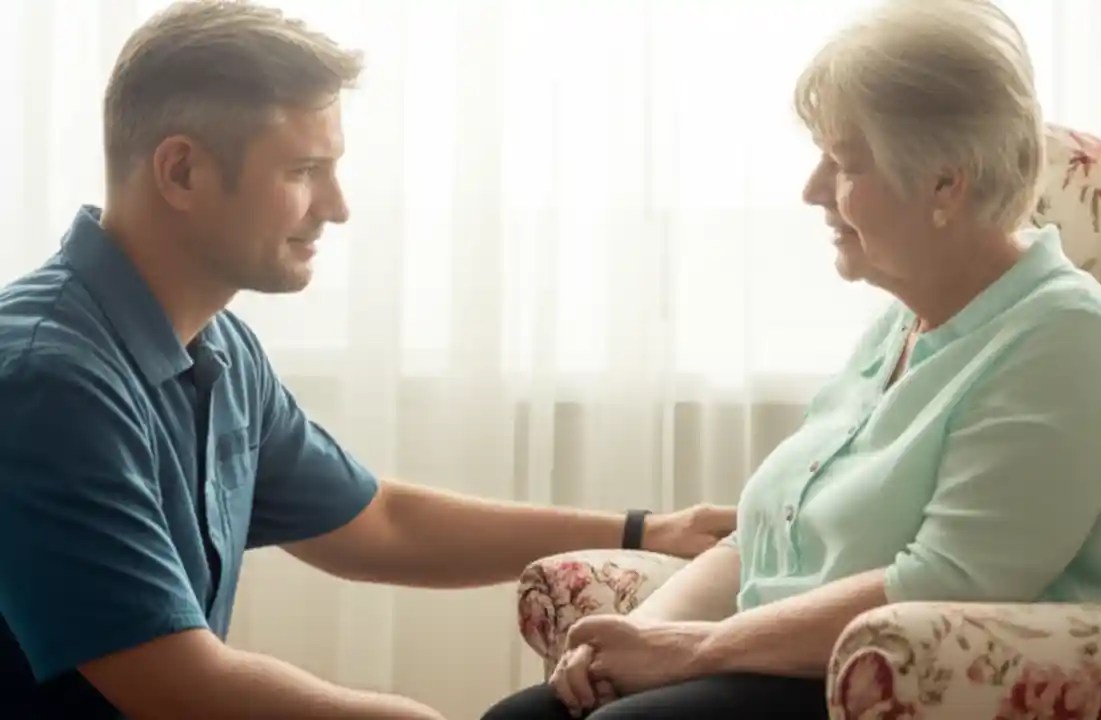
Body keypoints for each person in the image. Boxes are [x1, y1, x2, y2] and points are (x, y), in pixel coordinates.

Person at [0, 3, 735, 719]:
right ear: (182, 172)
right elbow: (175, 686)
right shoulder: (47, 382)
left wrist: (645, 532)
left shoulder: (218, 348)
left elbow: (378, 522)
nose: (338, 205)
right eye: (304, 170)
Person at [482, 1, 1101, 718]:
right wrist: (640, 635)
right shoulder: (903, 325)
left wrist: (696, 650)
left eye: (843, 163)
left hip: (916, 692)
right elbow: (762, 541)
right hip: (782, 666)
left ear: (944, 182)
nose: (812, 191)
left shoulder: (1061, 335)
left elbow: (947, 584)